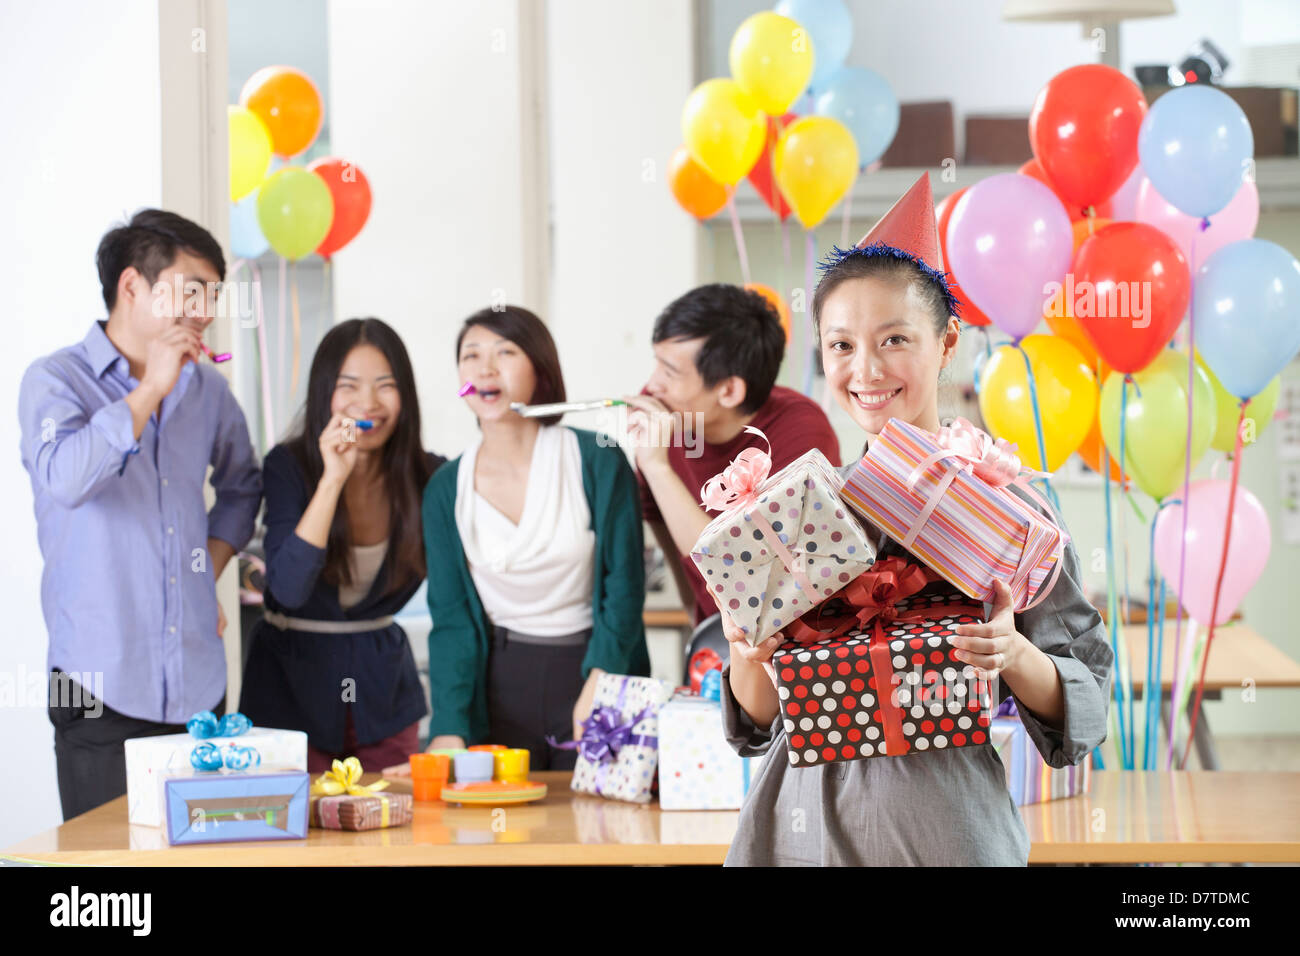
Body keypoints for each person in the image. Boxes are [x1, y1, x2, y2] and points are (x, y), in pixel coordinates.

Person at [717, 173, 1114, 866]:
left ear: (948, 342)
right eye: (840, 345)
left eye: (894, 339)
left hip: (950, 830)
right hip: (801, 829)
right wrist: (750, 654)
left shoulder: (1010, 508)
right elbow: (756, 724)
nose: (865, 369)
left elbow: (1086, 706)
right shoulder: (800, 511)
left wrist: (1012, 653)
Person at [18, 209, 261, 819]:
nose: (206, 310)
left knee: (206, 855)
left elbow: (243, 488)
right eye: (193, 290)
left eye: (214, 294)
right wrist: (149, 388)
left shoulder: (209, 392)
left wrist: (211, 565)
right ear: (133, 287)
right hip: (98, 689)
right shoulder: (55, 380)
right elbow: (66, 479)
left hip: (200, 687)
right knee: (111, 885)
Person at [419, 306, 649, 770]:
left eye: (505, 352)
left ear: (539, 369)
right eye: (471, 355)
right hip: (498, 684)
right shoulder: (446, 487)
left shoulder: (598, 459)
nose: (485, 368)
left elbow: (624, 585)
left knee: (604, 832)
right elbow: (451, 620)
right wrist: (449, 724)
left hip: (594, 668)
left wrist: (600, 684)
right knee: (501, 835)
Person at [241, 318, 443, 773]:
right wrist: (334, 478)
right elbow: (287, 589)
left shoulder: (431, 476)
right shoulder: (288, 466)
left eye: (385, 386)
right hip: (288, 694)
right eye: (349, 386)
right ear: (324, 394)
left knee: (393, 830)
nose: (368, 402)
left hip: (383, 696)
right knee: (296, 835)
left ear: (405, 396)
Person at [625, 284, 841, 627]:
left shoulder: (802, 434)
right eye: (657, 365)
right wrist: (700, 625)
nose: (651, 386)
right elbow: (666, 534)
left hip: (785, 633)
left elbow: (744, 571)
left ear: (728, 390)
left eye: (669, 372)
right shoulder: (667, 414)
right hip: (717, 631)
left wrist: (657, 467)